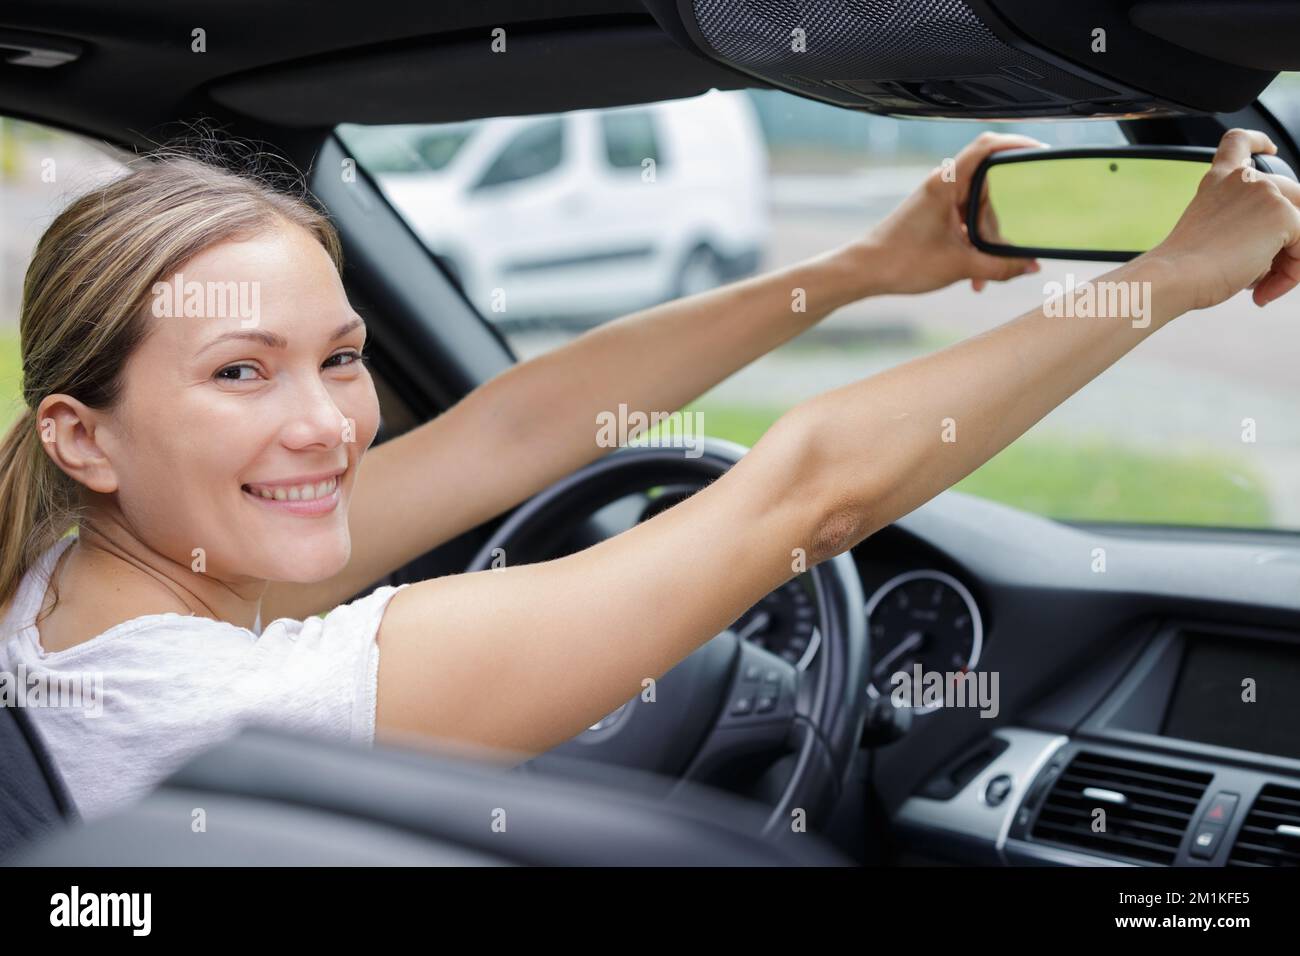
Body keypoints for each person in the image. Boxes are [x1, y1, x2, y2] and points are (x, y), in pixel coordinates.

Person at [1, 129, 1296, 822]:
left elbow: (515, 429)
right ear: (82, 435)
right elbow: (808, 497)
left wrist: (866, 267)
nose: (329, 428)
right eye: (240, 372)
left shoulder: (79, 587)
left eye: (341, 358)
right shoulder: (214, 707)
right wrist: (1169, 280)